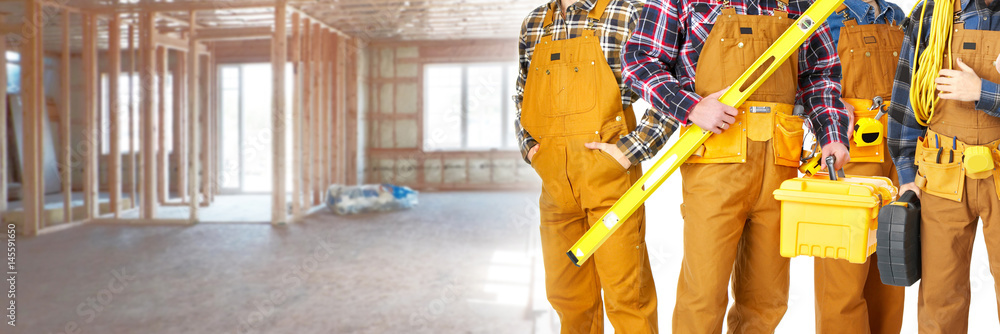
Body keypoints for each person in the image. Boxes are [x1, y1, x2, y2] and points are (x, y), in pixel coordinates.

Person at [623, 0, 852, 331]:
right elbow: (639, 61)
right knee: (703, 296)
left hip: (780, 164)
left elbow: (820, 75)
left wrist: (831, 135)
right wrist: (690, 106)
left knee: (767, 299)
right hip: (715, 161)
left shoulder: (799, 2)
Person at [513, 0, 677, 332]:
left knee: (627, 298)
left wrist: (630, 150)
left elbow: (670, 90)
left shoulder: (628, 13)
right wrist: (530, 149)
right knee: (567, 297)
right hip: (555, 186)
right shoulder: (534, 23)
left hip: (610, 181)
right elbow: (521, 93)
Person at [887, 0, 1000, 332]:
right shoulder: (927, 16)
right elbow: (906, 98)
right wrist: (906, 173)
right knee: (940, 297)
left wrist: (983, 92)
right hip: (940, 172)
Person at [813, 0, 907, 332]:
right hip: (848, 158)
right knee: (843, 280)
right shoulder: (818, 14)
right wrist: (828, 107)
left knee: (892, 276)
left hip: (899, 158)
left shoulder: (896, 16)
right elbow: (793, 80)